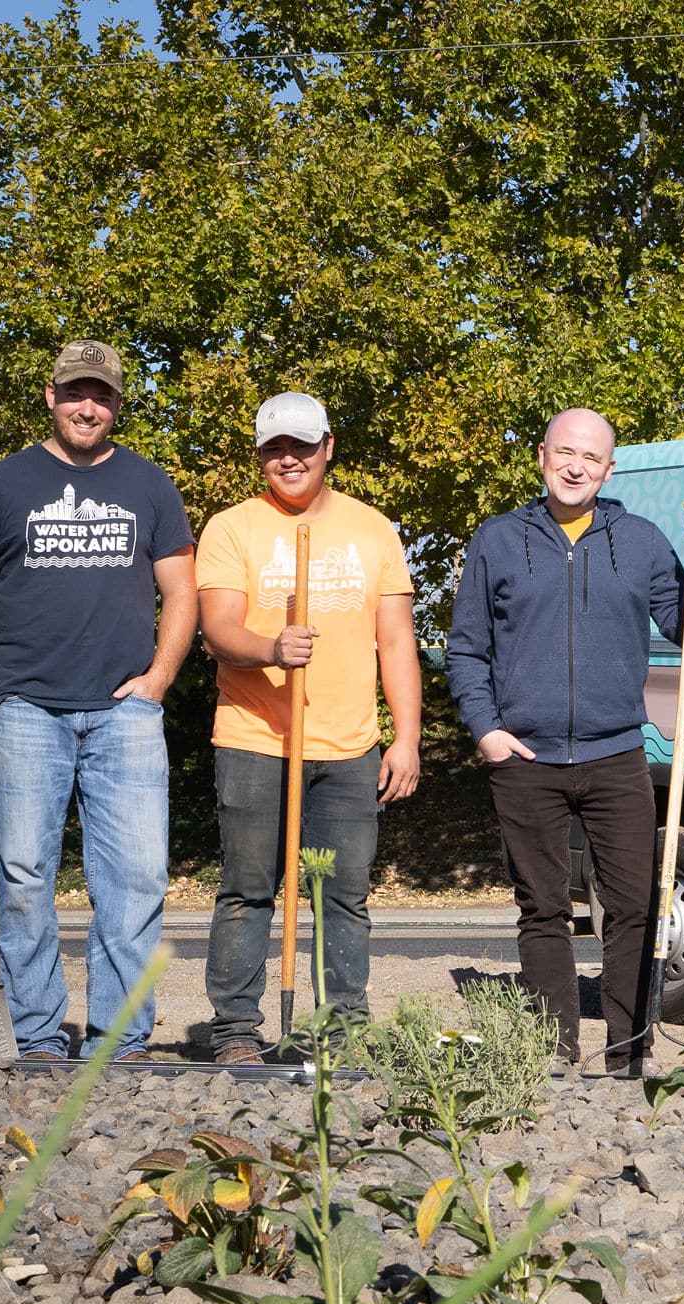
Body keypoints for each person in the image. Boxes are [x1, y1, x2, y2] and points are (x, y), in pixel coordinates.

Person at [0, 339, 196, 1060]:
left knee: (134, 881)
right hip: (25, 708)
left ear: (117, 405)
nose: (86, 406)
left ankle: (119, 1040)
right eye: (75, 391)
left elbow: (183, 592)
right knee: (22, 874)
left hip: (125, 712)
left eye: (100, 395)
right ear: (50, 395)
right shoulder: (4, 484)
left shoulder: (150, 485)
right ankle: (40, 1036)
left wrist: (159, 679)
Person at [446, 407, 684, 1074]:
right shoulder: (497, 540)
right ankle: (555, 1051)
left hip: (616, 753)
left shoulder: (645, 541)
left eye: (591, 457)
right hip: (526, 757)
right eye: (565, 452)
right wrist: (487, 730)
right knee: (542, 908)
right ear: (542, 455)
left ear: (609, 468)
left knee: (632, 906)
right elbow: (465, 650)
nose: (576, 466)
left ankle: (628, 1055)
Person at [195, 392, 422, 1063]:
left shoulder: (373, 529)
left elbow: (398, 643)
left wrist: (404, 736)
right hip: (254, 738)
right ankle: (237, 1032)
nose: (287, 458)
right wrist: (270, 649)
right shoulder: (232, 528)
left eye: (300, 445)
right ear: (260, 455)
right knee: (247, 887)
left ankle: (341, 1032)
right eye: (273, 448)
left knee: (343, 894)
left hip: (349, 746)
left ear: (328, 446)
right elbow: (219, 627)